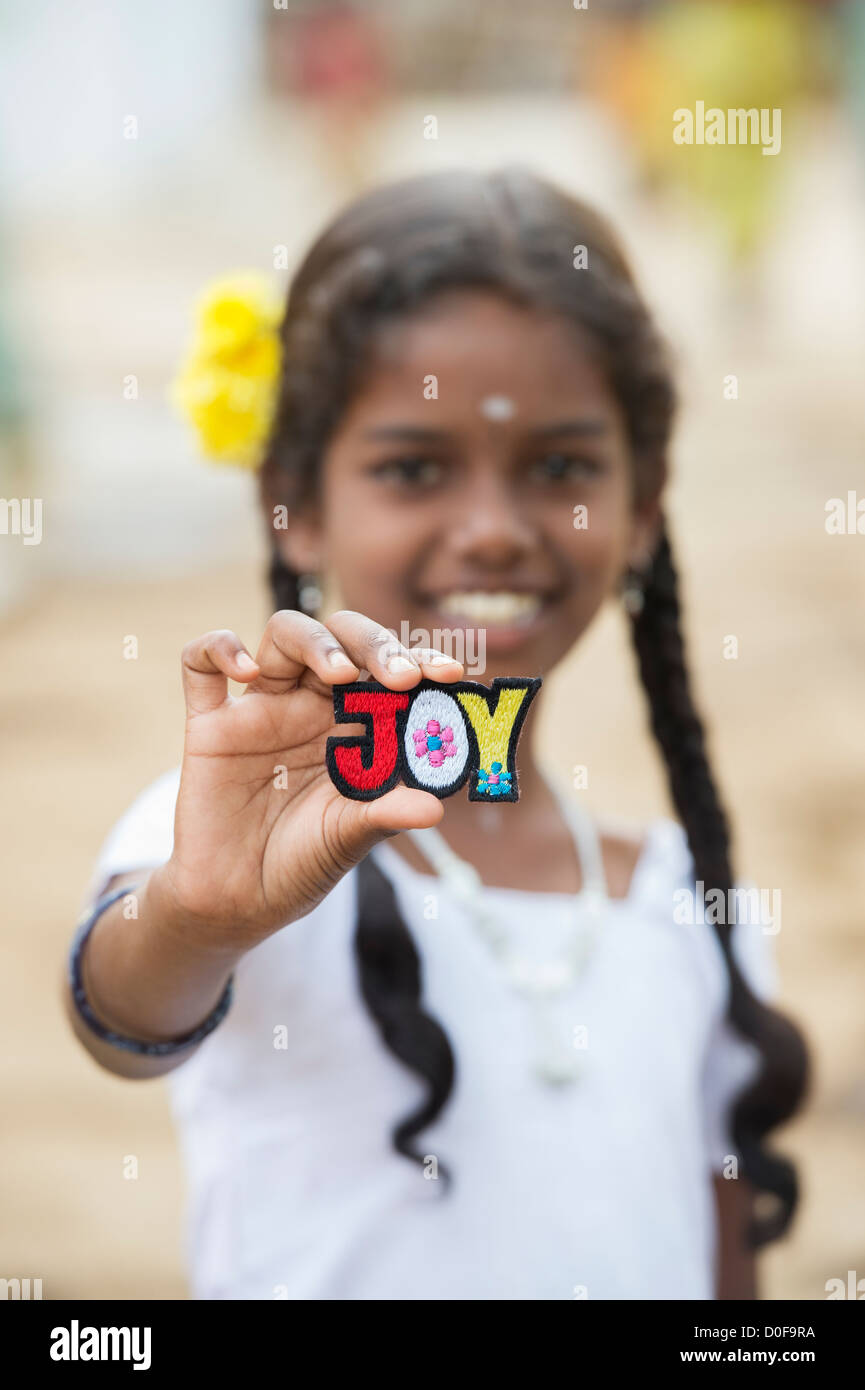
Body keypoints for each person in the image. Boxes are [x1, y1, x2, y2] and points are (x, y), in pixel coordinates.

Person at [65, 168, 809, 1301]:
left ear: (643, 505)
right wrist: (200, 914)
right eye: (413, 468)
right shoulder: (230, 846)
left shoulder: (680, 898)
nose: (494, 531)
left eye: (559, 468)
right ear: (296, 502)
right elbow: (124, 1011)